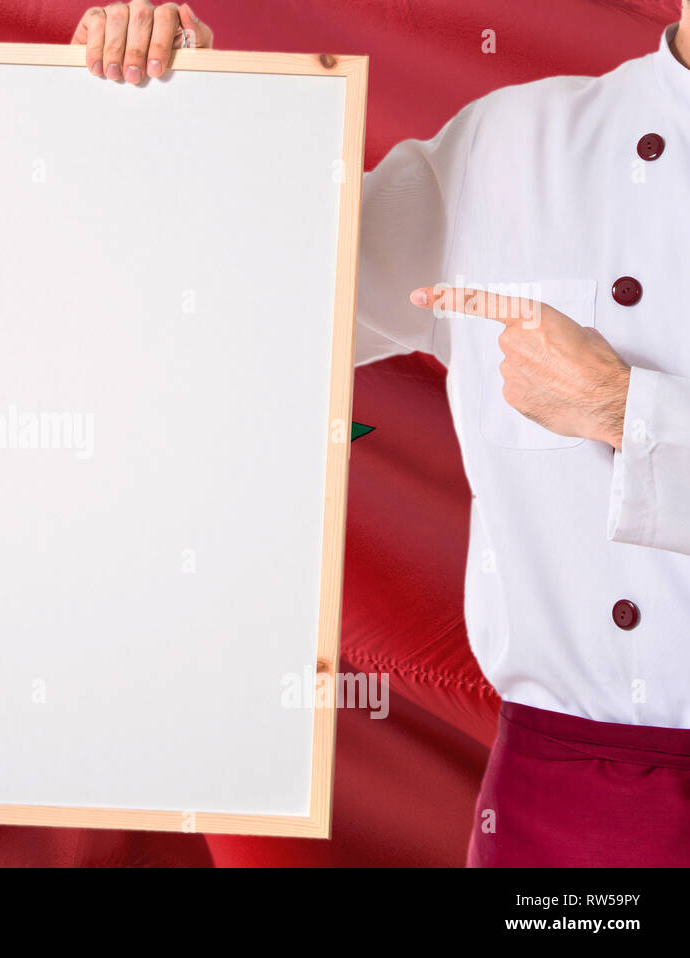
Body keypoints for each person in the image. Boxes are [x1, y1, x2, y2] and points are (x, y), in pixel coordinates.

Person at [73, 1, 690, 866]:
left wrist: (627, 413)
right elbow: (258, 307)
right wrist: (185, 107)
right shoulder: (507, 145)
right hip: (557, 810)